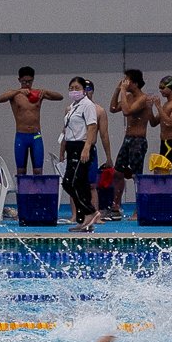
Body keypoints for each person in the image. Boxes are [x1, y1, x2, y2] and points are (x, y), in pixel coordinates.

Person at [58, 76, 103, 231]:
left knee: (70, 182)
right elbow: (66, 130)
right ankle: (84, 220)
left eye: (77, 88)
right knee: (80, 184)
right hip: (71, 146)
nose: (74, 91)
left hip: (81, 146)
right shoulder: (72, 107)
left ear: (84, 90)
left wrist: (86, 148)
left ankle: (90, 211)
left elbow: (92, 127)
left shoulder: (88, 105)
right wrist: (62, 150)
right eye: (71, 88)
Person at [107, 68, 152, 220]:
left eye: (127, 80)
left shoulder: (143, 99)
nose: (124, 83)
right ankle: (116, 206)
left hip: (138, 141)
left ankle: (139, 209)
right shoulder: (128, 97)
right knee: (118, 173)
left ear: (135, 83)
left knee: (136, 176)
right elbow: (113, 108)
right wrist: (117, 90)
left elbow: (127, 111)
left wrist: (122, 91)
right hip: (127, 140)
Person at [0, 68, 48, 176]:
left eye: (30, 81)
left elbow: (59, 97)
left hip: (36, 136)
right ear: (19, 80)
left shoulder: (37, 94)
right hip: (21, 136)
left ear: (33, 80)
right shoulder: (15, 95)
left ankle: (38, 187)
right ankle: (21, 188)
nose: (27, 84)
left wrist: (44, 92)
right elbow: (0, 99)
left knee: (38, 171)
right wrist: (18, 91)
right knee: (21, 171)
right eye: (24, 81)